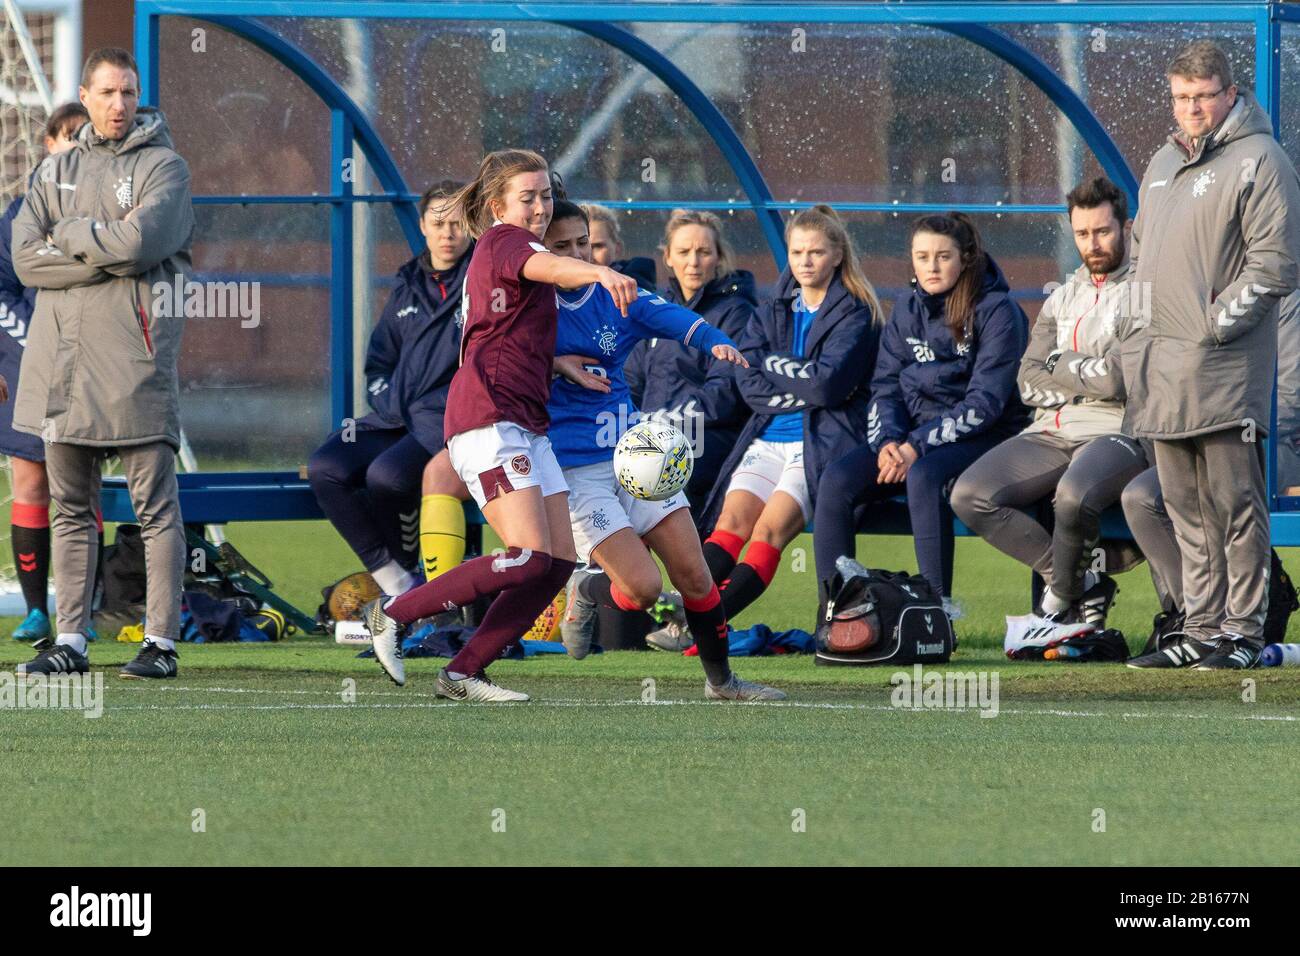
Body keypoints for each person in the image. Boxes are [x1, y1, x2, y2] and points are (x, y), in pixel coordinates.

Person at [361, 148, 637, 703]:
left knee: (557, 563)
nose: (539, 207)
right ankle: (394, 612)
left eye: (546, 196)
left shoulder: (509, 250)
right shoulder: (508, 240)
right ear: (497, 205)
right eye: (527, 197)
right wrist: (598, 270)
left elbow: (497, 327)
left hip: (525, 423)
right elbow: (554, 267)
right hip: (489, 420)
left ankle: (464, 671)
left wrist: (555, 362)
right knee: (529, 554)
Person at [543, 200, 783, 699]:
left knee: (695, 574)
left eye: (582, 243)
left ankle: (723, 682)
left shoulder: (613, 291)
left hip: (635, 454)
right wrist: (552, 361)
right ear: (541, 253)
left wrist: (714, 340)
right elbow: (493, 363)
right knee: (645, 589)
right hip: (576, 470)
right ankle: (585, 588)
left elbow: (669, 315)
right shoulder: (529, 308)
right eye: (560, 247)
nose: (576, 254)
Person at [11, 48, 195, 679]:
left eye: (129, 93)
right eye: (109, 93)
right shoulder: (55, 171)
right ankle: (71, 640)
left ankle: (161, 644)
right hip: (59, 368)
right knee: (69, 507)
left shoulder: (165, 167)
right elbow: (24, 259)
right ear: (84, 97)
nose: (120, 105)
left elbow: (141, 243)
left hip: (132, 365)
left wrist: (68, 236)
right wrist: (101, 249)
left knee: (155, 510)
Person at [1123, 41, 1300, 670]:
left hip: (1222, 369)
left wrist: (1212, 326)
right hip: (1161, 370)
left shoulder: (1261, 159)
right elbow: (1141, 257)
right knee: (1185, 509)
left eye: (1202, 96)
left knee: (1235, 505)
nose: (1191, 108)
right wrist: (1135, 333)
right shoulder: (1162, 163)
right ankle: (1198, 626)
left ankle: (1242, 633)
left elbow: (1275, 263)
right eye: (1181, 97)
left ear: (1230, 94)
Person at [678, 205, 882, 648]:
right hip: (766, 436)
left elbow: (828, 388)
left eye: (816, 251)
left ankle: (702, 625)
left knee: (768, 530)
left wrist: (777, 367)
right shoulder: (772, 308)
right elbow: (746, 376)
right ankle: (688, 619)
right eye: (797, 252)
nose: (805, 260)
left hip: (818, 442)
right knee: (730, 523)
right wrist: (798, 377)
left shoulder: (856, 312)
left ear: (837, 256)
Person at [951, 176, 1146, 636]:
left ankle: (1057, 602)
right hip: (1052, 428)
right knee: (970, 494)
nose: (1093, 244)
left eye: (1103, 231)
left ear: (1127, 227)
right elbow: (1027, 380)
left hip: (1115, 430)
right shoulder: (1062, 295)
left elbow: (1119, 380)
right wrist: (1084, 382)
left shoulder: (1143, 292)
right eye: (1082, 234)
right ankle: (1081, 582)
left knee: (1073, 495)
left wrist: (1061, 364)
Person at [813, 213, 1029, 622]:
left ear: (965, 259)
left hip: (985, 436)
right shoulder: (905, 310)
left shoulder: (998, 311)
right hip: (910, 439)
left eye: (942, 256)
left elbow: (985, 404)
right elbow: (885, 386)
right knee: (836, 479)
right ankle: (835, 612)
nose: (931, 266)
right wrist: (890, 442)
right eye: (922, 256)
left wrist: (917, 446)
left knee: (924, 475)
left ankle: (935, 612)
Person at [308, 181, 472, 598]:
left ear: (471, 226)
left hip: (444, 423)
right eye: (438, 222)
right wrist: (388, 399)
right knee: (326, 467)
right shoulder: (407, 283)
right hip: (395, 418)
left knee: (387, 476)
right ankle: (397, 583)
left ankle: (419, 591)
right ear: (422, 225)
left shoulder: (481, 281)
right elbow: (378, 361)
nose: (447, 232)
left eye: (456, 222)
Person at [0, 102, 89, 643]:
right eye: (68, 135)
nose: (78, 144)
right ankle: (37, 610)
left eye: (86, 136)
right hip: (26, 360)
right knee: (30, 479)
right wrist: (34, 342)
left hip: (92, 364)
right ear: (49, 144)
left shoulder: (110, 206)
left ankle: (84, 608)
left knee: (79, 486)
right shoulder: (18, 215)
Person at [624, 210, 756, 516]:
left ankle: (689, 560)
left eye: (704, 252)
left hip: (707, 435)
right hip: (650, 432)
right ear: (668, 257)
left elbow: (725, 392)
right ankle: (600, 562)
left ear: (718, 257)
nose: (693, 262)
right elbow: (631, 381)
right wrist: (633, 421)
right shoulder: (656, 309)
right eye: (683, 252)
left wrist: (661, 421)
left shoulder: (735, 313)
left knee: (664, 473)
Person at [580, 202, 656, 289]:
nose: (588, 255)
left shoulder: (635, 286)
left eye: (597, 246)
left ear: (617, 249)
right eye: (581, 245)